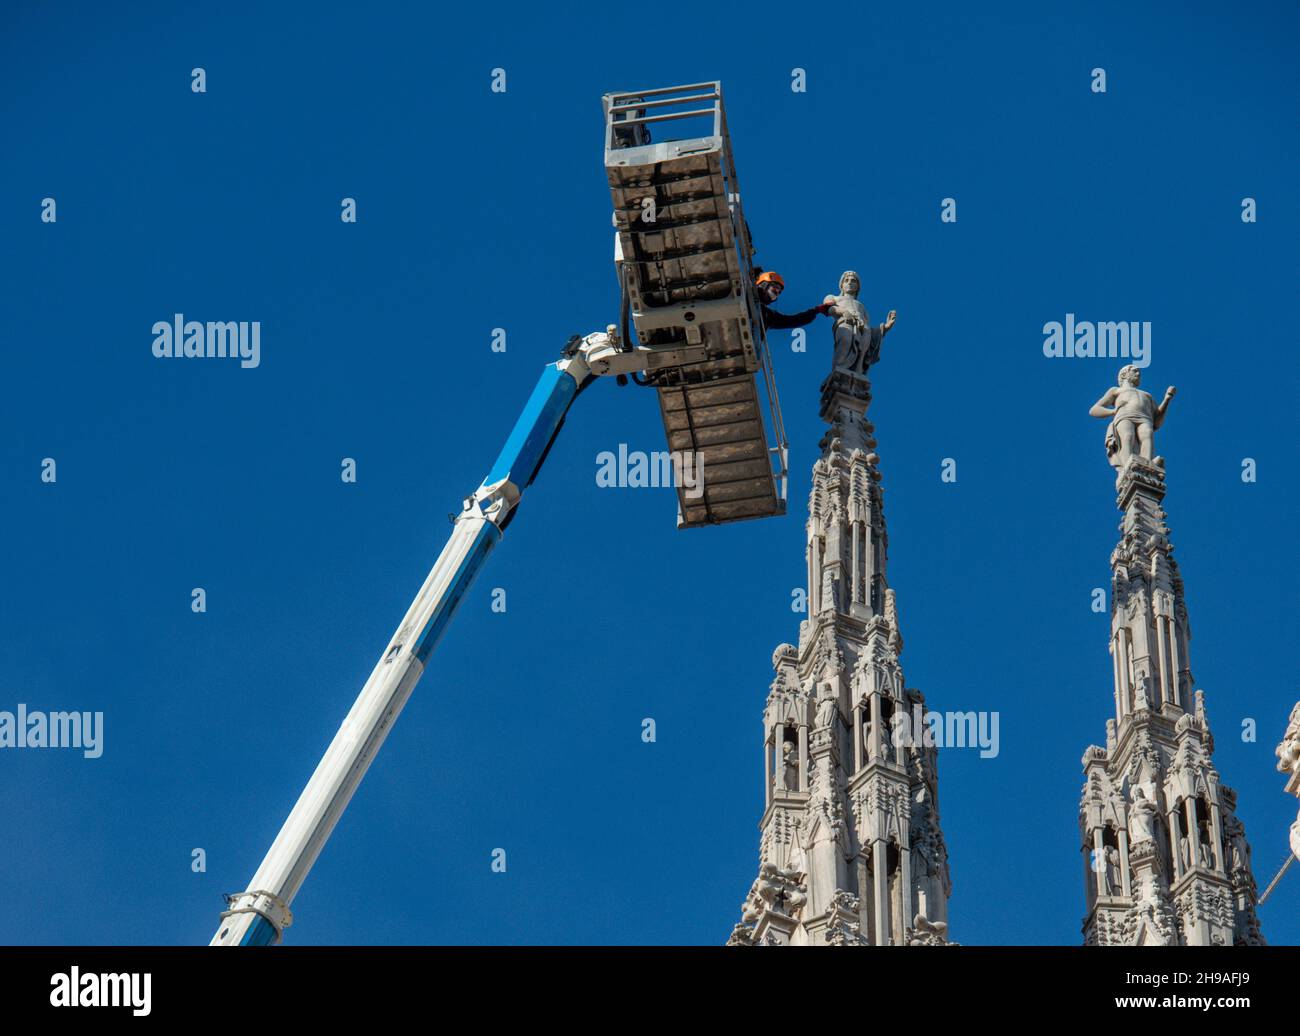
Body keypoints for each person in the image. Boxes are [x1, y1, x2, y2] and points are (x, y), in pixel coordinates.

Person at [753, 269, 832, 330]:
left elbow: (793, 320)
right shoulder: (745, 291)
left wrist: (816, 310)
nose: (776, 293)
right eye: (775, 288)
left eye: (778, 292)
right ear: (764, 284)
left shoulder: (767, 315)